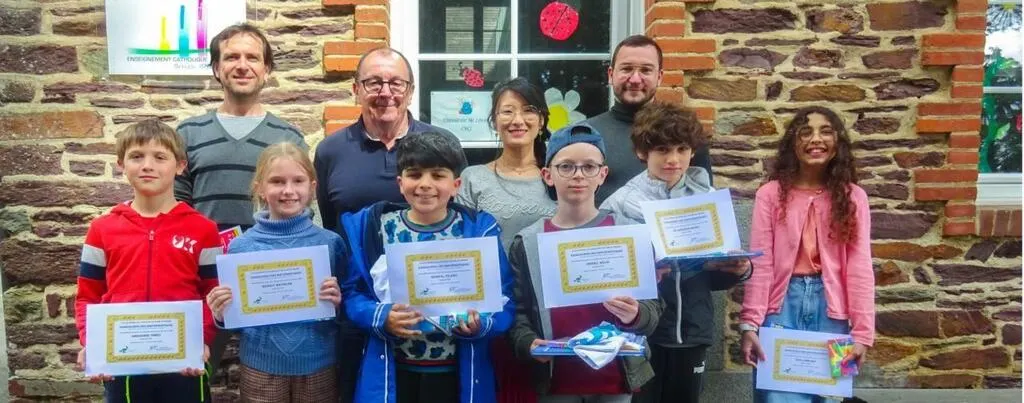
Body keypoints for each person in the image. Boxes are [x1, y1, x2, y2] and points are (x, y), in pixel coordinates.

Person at [314, 47, 457, 402]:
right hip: (358, 308)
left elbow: (456, 221)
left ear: (410, 90)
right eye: (374, 82)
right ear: (356, 89)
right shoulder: (331, 150)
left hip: (431, 309)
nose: (385, 91)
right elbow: (331, 228)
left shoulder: (441, 143)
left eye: (396, 82)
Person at [174, 22, 308, 381]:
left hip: (269, 276)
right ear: (217, 68)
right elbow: (176, 210)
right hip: (204, 276)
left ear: (267, 69)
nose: (242, 65)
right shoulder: (188, 134)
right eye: (231, 57)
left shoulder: (288, 136)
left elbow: (304, 207)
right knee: (192, 370)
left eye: (253, 57)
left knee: (273, 376)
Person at [340, 131, 515, 403]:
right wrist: (381, 316)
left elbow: (504, 297)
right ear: (400, 183)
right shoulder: (376, 228)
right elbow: (353, 292)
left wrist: (481, 325)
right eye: (414, 174)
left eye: (437, 175)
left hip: (458, 372)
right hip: (394, 372)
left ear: (456, 184)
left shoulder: (477, 231)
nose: (425, 184)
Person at [599, 101, 751, 403]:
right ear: (643, 152)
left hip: (692, 329)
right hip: (642, 332)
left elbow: (718, 277)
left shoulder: (709, 201)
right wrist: (643, 271)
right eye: (662, 150)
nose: (673, 159)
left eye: (682, 149)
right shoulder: (618, 204)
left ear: (693, 151)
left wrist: (739, 269)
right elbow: (608, 274)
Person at [507, 122, 661, 403]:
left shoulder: (629, 233)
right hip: (556, 379)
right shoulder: (527, 242)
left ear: (603, 174)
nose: (578, 175)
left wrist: (637, 313)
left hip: (616, 377)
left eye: (589, 167)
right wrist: (527, 343)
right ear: (547, 175)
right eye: (566, 166)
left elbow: (653, 308)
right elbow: (517, 310)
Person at [74, 120, 220, 402]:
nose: (147, 165)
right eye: (137, 156)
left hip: (184, 362)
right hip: (122, 363)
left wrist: (199, 339)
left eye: (160, 157)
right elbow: (87, 296)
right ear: (121, 164)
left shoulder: (203, 229)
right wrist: (92, 342)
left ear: (180, 166)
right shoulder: (101, 229)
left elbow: (212, 295)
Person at [738, 106, 875, 403]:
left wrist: (863, 335)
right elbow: (761, 264)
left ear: (838, 141)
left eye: (825, 131)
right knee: (777, 396)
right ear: (792, 144)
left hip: (833, 312)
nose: (816, 139)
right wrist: (750, 325)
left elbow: (860, 267)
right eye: (806, 132)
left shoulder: (854, 197)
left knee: (830, 397)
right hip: (780, 309)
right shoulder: (770, 194)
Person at [205, 143, 345, 402]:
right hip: (261, 366)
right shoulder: (241, 247)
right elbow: (233, 317)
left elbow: (346, 311)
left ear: (312, 188)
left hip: (319, 364)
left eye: (298, 181)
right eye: (277, 181)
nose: (288, 190)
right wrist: (221, 312)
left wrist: (338, 303)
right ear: (259, 187)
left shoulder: (330, 243)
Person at [456, 77, 556, 403]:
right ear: (494, 121)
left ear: (541, 120)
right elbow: (461, 249)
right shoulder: (474, 178)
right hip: (493, 313)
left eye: (528, 111)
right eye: (506, 111)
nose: (517, 120)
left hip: (547, 310)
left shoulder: (557, 175)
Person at [584, 35, 712, 204]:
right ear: (610, 74)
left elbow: (704, 202)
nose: (635, 79)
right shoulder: (583, 135)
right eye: (626, 69)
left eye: (646, 70)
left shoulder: (685, 136)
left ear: (659, 77)